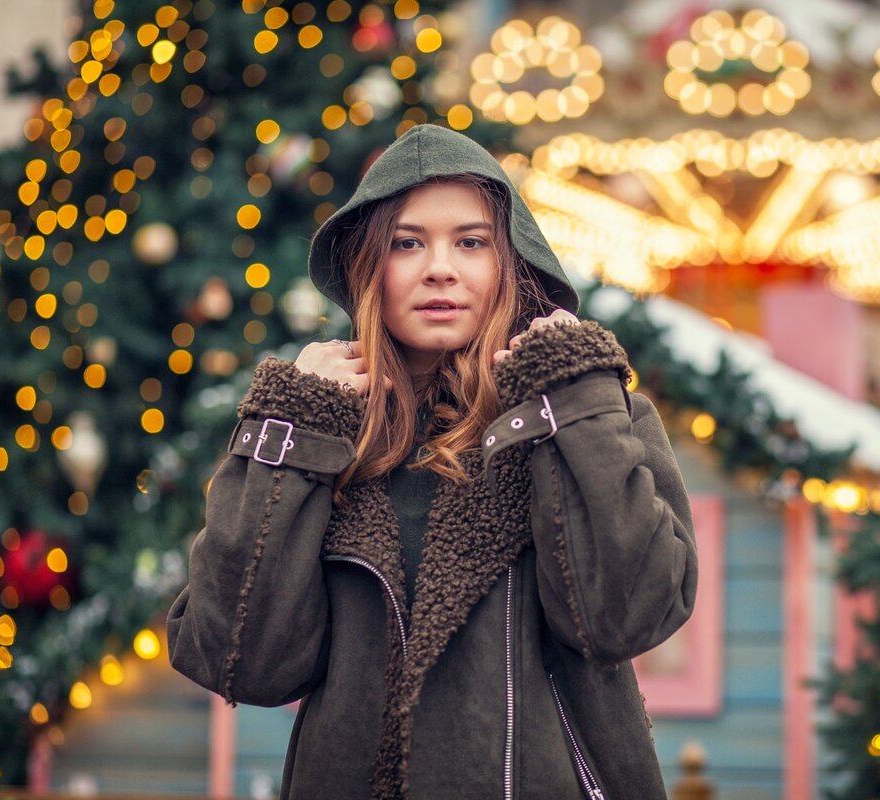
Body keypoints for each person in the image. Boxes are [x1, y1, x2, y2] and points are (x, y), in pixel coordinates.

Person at [167, 123, 698, 800]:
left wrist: (572, 393)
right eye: (406, 242)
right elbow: (240, 659)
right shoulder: (325, 437)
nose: (439, 268)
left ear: (511, 263)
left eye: (471, 242)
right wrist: (292, 428)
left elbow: (627, 617)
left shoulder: (590, 414)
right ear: (370, 270)